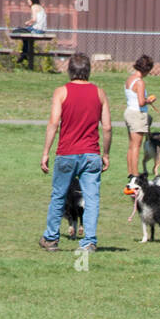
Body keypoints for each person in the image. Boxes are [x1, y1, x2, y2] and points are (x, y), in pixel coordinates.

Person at [39, 52, 111, 253]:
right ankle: (89, 241)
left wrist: (46, 151)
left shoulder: (61, 92)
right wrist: (106, 154)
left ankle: (51, 239)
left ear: (69, 70)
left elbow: (54, 122)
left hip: (67, 153)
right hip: (91, 154)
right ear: (88, 71)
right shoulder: (99, 93)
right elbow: (107, 127)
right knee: (92, 198)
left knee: (59, 196)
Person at [123, 55, 157, 179]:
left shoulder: (130, 79)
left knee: (131, 145)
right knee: (137, 146)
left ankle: (130, 172)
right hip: (137, 114)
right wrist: (150, 100)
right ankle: (136, 174)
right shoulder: (140, 82)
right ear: (146, 69)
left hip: (129, 112)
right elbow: (141, 102)